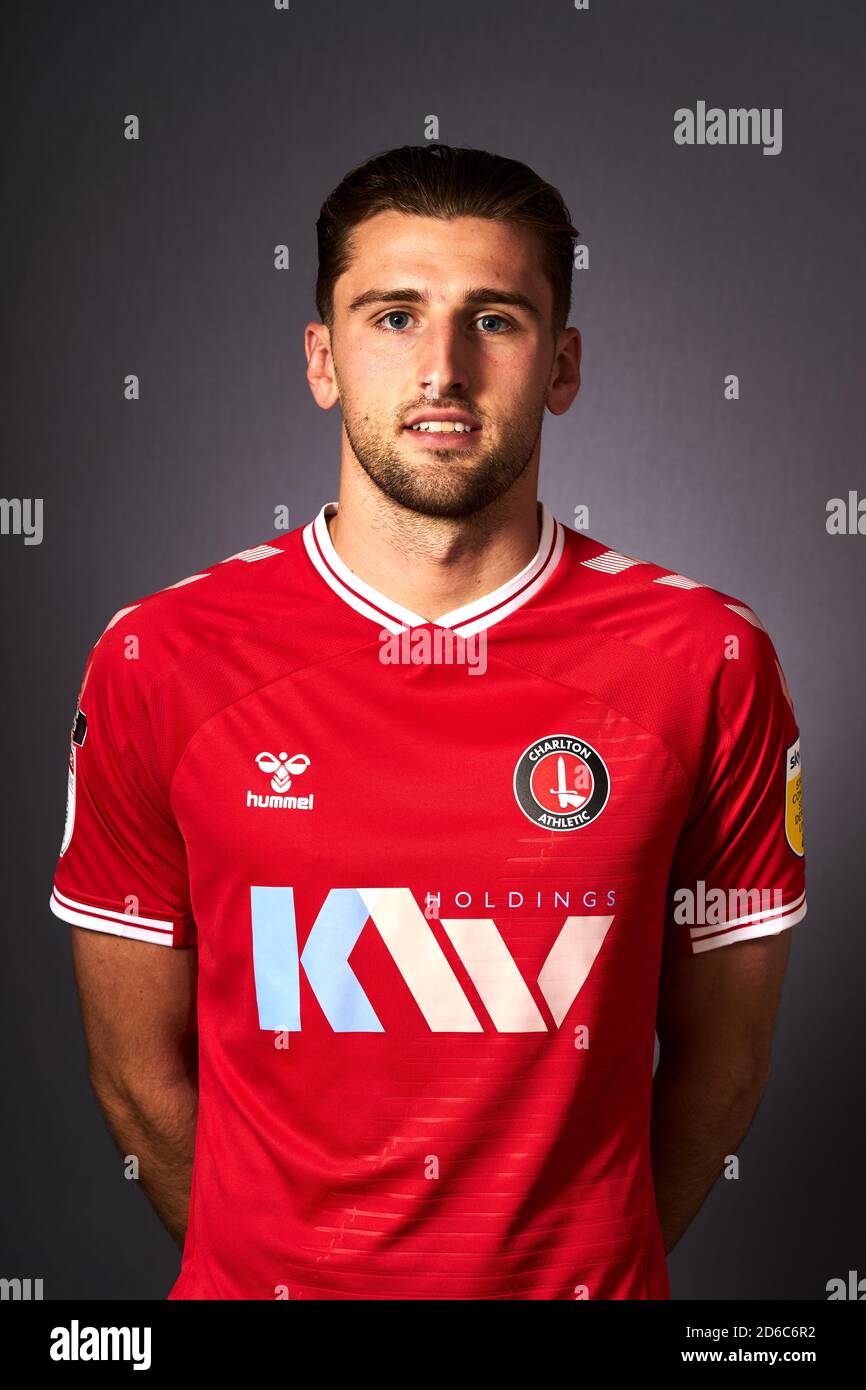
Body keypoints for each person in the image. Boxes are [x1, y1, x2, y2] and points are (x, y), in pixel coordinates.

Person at [49, 143, 807, 1300]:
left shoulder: (705, 660)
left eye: (492, 320)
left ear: (561, 365)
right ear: (322, 359)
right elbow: (135, 1078)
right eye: (392, 316)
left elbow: (723, 1065)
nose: (440, 368)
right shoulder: (159, 657)